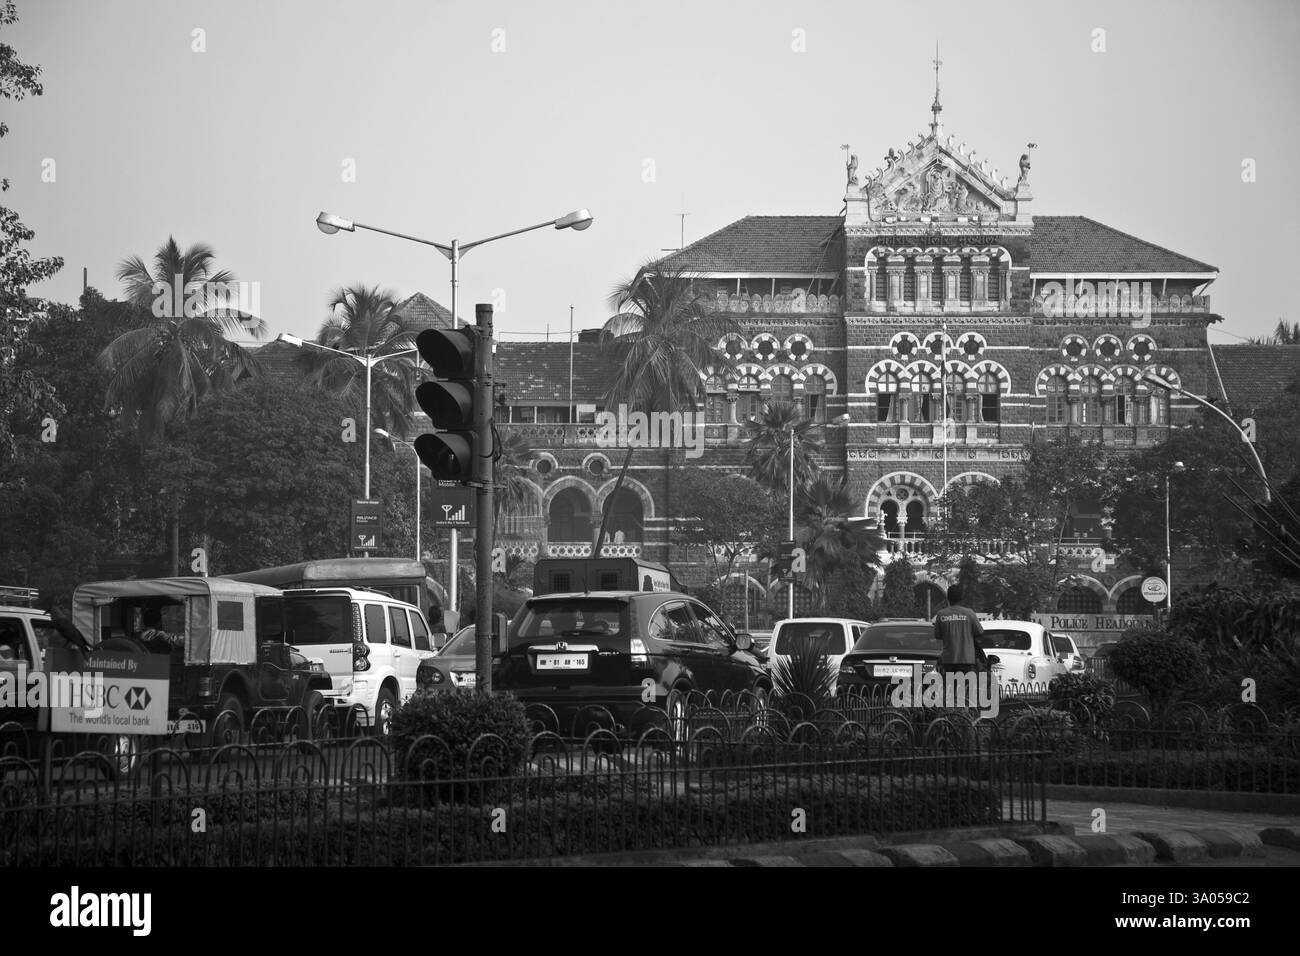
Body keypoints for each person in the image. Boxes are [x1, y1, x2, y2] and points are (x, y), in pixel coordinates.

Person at [932, 584, 989, 692]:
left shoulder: (941, 614)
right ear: (961, 598)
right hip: (967, 660)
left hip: (948, 660)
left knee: (949, 690)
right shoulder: (969, 613)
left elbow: (937, 635)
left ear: (948, 598)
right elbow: (980, 632)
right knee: (966, 691)